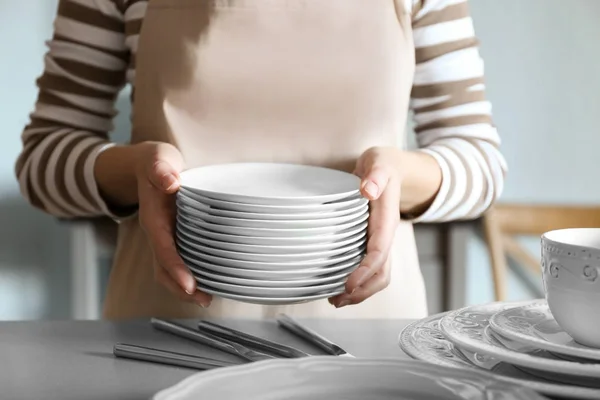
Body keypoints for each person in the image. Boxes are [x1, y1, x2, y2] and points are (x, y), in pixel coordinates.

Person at [15, 0, 506, 320]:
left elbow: (481, 164)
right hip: (167, 334)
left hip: (367, 340)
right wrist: (133, 169)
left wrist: (398, 174)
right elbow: (43, 160)